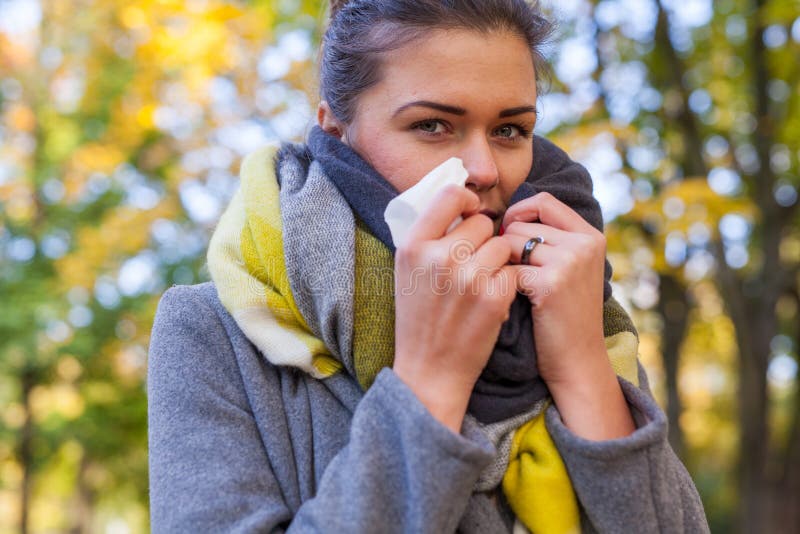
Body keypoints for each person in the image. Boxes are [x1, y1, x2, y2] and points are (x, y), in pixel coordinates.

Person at [147, 1, 710, 532]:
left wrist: (582, 365)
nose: (484, 169)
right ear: (335, 132)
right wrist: (431, 381)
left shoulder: (577, 303)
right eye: (433, 126)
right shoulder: (212, 334)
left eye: (510, 129)